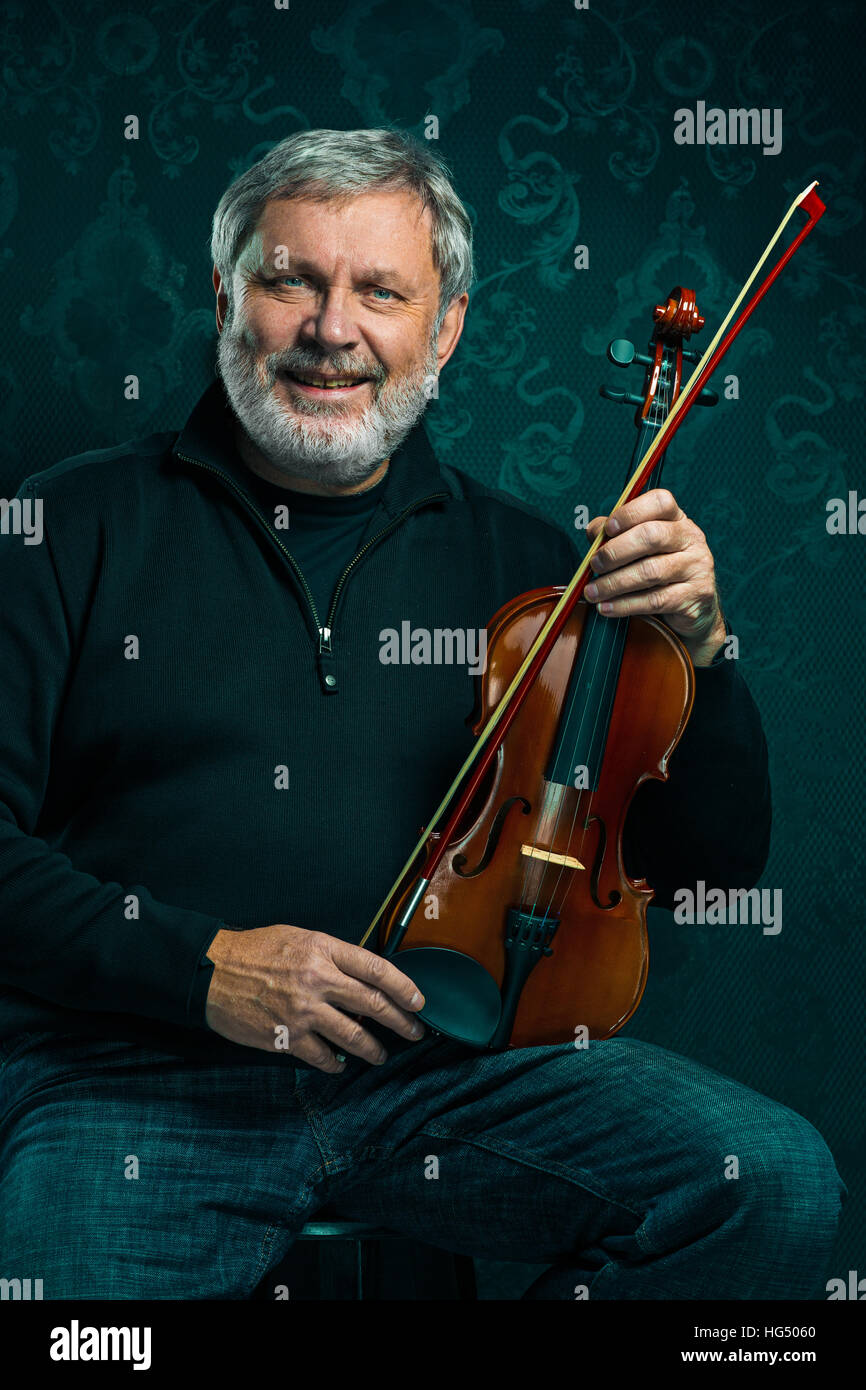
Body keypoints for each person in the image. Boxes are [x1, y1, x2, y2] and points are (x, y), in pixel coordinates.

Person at [0, 128, 844, 1299]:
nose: (331, 330)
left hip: (438, 1079)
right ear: (224, 295)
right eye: (289, 278)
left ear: (442, 329)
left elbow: (703, 861)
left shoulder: (542, 572)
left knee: (771, 1182)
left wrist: (702, 646)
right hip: (132, 1077)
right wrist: (201, 965)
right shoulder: (63, 525)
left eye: (379, 292)